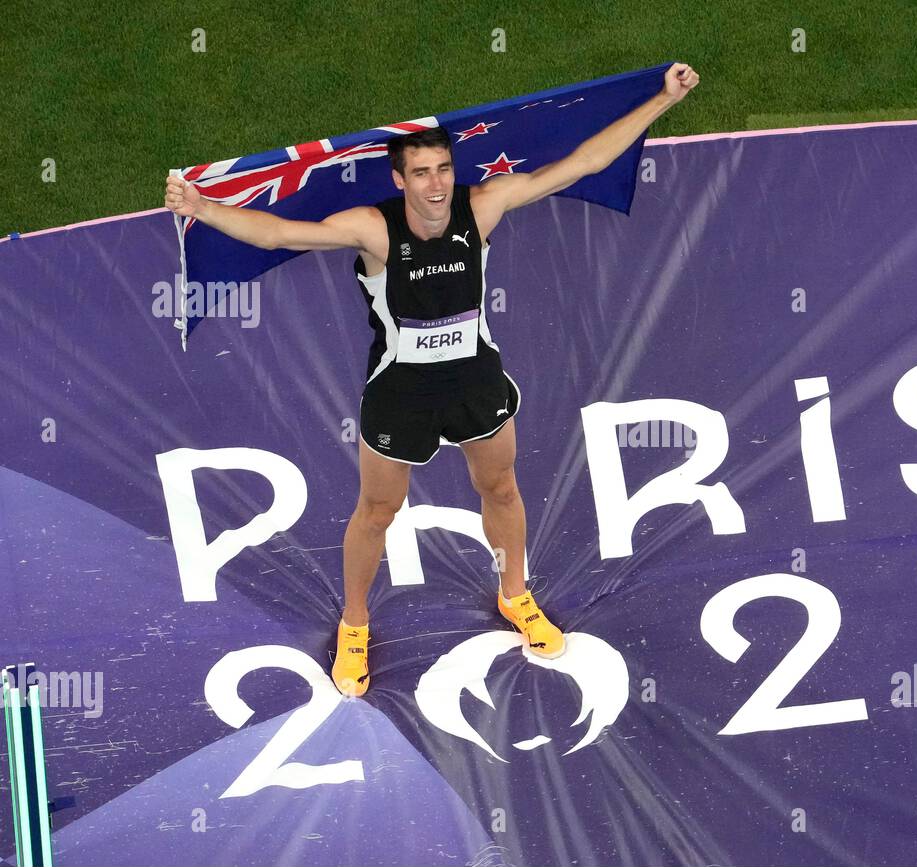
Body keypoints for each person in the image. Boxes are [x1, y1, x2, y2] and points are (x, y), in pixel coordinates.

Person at [165, 62, 700, 696]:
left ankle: (516, 596)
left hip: (474, 379)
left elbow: (581, 163)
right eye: (421, 173)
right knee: (378, 510)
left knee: (500, 488)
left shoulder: (484, 206)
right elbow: (280, 232)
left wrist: (663, 100)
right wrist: (204, 206)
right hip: (402, 392)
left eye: (443, 169)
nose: (436, 183)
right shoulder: (375, 229)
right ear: (400, 179)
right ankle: (355, 625)